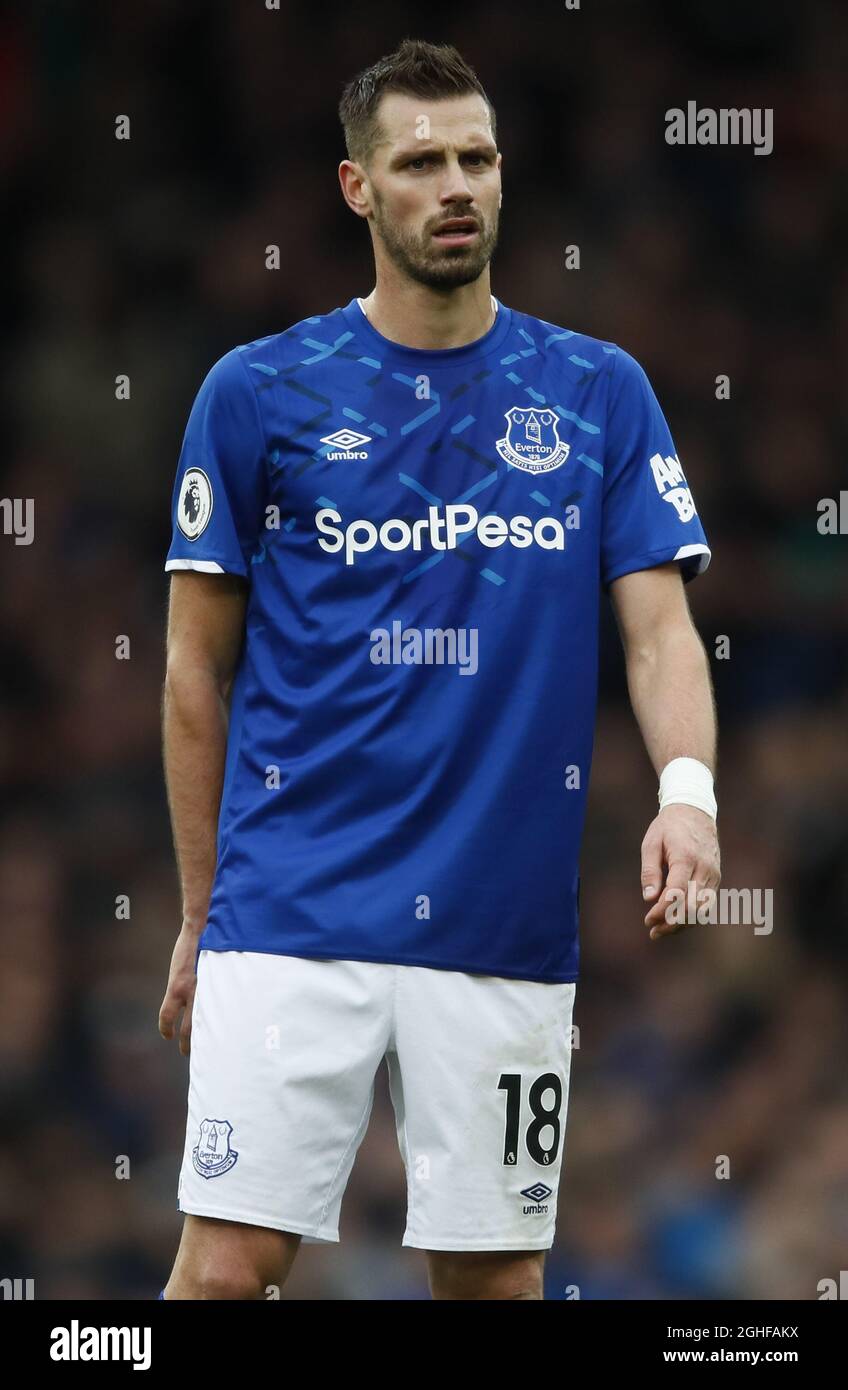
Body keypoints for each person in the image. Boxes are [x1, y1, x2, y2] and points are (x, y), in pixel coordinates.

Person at [157, 37, 720, 1301]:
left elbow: (657, 628)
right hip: (291, 911)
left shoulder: (597, 393)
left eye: (474, 157)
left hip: (501, 921)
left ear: (504, 176)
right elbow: (194, 673)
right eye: (418, 163)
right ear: (358, 189)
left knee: (493, 1280)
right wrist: (200, 912)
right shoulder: (256, 393)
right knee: (226, 1268)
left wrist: (686, 790)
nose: (452, 184)